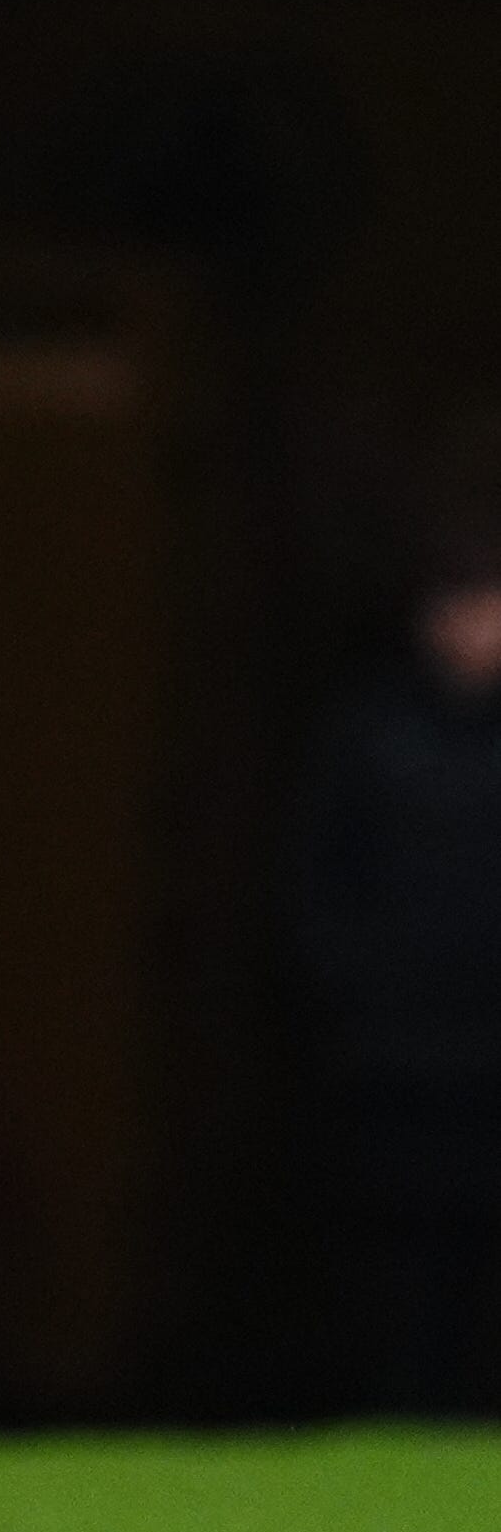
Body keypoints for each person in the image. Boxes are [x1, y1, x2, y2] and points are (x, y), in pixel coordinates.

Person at [290, 519, 501, 1412]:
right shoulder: (372, 731)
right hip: (395, 1060)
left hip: (493, 1053)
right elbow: (315, 879)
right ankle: (384, 1409)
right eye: (470, 609)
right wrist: (358, 998)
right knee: (394, 1259)